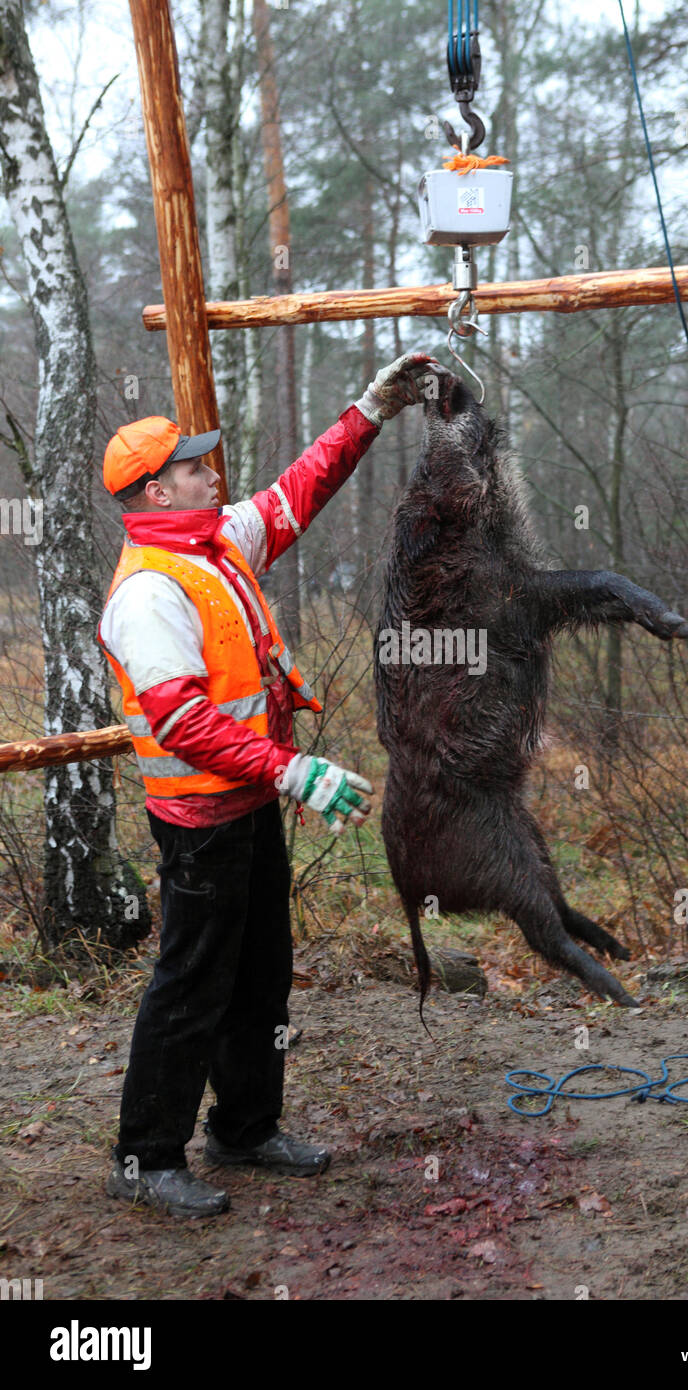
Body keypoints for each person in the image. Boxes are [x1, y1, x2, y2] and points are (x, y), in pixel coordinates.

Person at [99, 352, 441, 1217]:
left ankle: (245, 1128)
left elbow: (298, 493)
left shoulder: (215, 545)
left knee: (260, 975)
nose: (209, 470)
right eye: (190, 465)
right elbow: (184, 722)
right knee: (190, 983)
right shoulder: (147, 593)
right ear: (153, 495)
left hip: (249, 808)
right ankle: (146, 1156)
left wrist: (368, 411)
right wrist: (294, 769)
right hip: (200, 820)